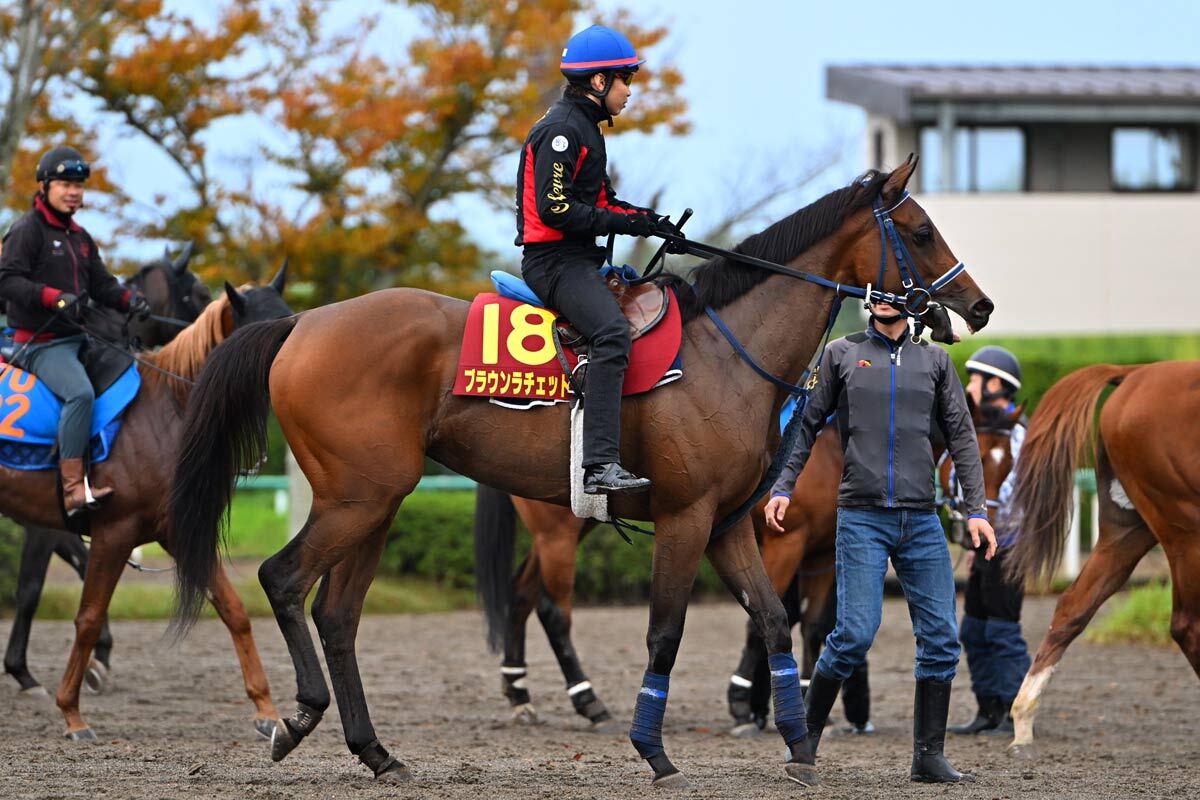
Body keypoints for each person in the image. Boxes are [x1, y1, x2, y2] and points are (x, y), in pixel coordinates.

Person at [765, 298, 996, 784]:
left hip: (921, 521)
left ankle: (928, 757)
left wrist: (976, 510)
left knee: (941, 640)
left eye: (898, 291)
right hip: (862, 518)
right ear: (870, 299)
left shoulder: (934, 361)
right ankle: (804, 748)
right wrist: (783, 486)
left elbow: (962, 437)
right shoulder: (841, 354)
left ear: (913, 302)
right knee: (852, 635)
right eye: (880, 290)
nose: (888, 298)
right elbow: (806, 426)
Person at [514, 24, 680, 495]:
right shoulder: (564, 130)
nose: (630, 91)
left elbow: (603, 201)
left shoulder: (584, 126)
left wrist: (651, 221)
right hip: (554, 263)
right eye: (626, 79)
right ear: (600, 81)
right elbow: (556, 209)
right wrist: (625, 224)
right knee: (611, 333)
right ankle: (599, 464)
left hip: (576, 261)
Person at [0, 145, 150, 514]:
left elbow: (102, 285)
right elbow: (7, 281)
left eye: (79, 186)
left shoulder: (80, 238)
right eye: (66, 184)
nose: (74, 192)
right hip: (40, 345)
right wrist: (53, 297)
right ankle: (72, 491)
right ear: (46, 186)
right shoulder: (26, 231)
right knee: (80, 394)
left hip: (78, 339)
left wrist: (130, 299)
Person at [949, 345, 1032, 734]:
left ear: (995, 383)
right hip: (986, 547)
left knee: (1002, 630)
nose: (969, 385)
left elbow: (1013, 491)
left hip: (1011, 546)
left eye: (976, 378)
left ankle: (1015, 713)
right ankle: (988, 711)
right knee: (974, 631)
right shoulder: (981, 430)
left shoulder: (1018, 435)